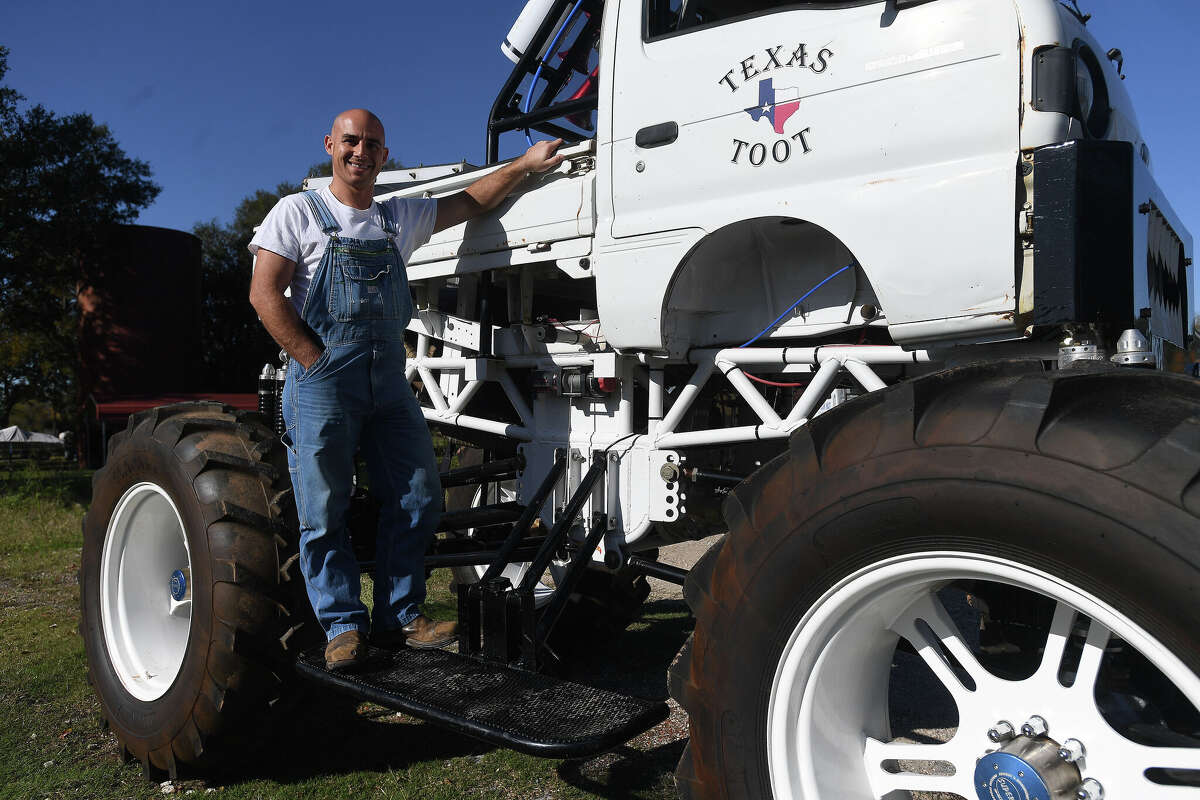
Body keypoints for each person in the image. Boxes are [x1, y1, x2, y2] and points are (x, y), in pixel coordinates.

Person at [249, 109, 564, 670]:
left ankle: (401, 617)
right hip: (323, 380)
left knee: (418, 496)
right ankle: (343, 626)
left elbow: (472, 200)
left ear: (384, 155)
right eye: (350, 141)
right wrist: (313, 360)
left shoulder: (399, 218)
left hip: (389, 382)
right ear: (330, 145)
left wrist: (526, 164)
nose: (360, 152)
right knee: (324, 508)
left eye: (372, 143)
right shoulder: (296, 213)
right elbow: (265, 295)